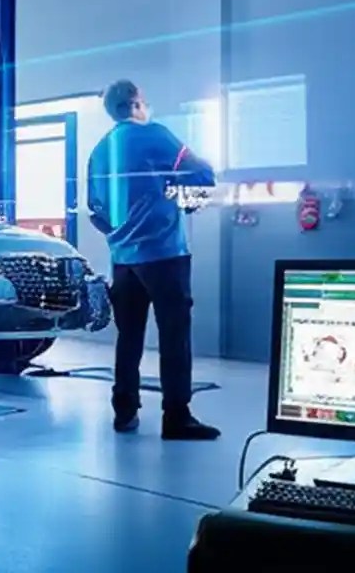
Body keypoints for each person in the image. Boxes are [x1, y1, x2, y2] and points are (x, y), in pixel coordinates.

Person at [87, 80, 220, 441]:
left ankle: (125, 411)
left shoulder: (99, 151)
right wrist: (182, 196)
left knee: (129, 336)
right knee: (174, 336)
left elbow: (96, 213)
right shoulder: (156, 135)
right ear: (136, 104)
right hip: (164, 255)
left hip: (123, 260)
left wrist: (123, 232)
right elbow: (203, 173)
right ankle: (177, 416)